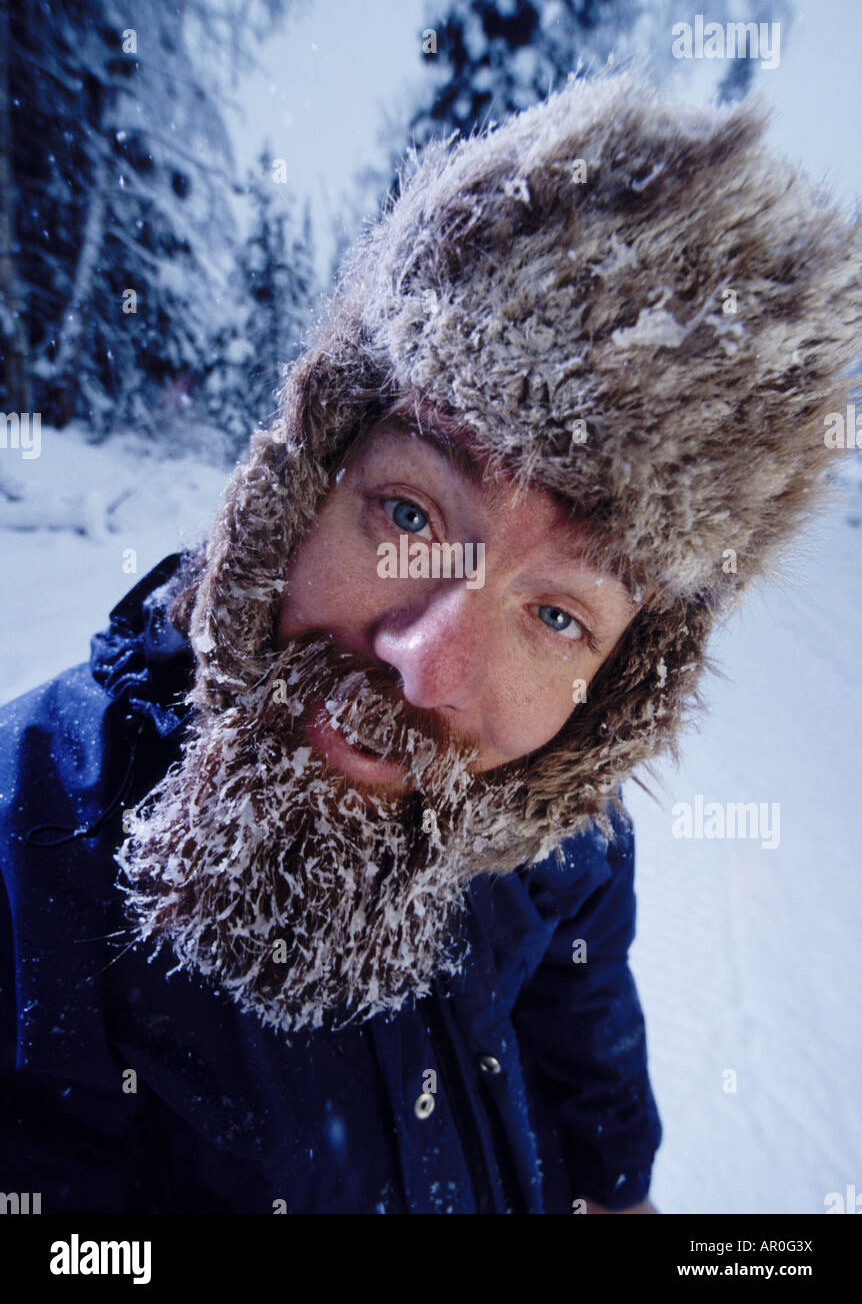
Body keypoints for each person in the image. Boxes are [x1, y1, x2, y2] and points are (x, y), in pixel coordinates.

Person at [1, 71, 860, 1215]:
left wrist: (620, 1190)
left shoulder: (563, 821)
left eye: (557, 615)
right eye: (410, 514)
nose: (426, 662)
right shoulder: (34, 829)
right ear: (306, 482)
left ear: (611, 691)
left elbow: (582, 1027)